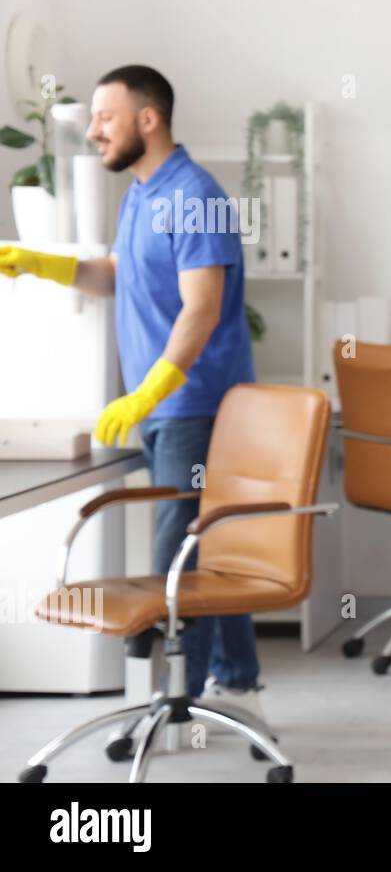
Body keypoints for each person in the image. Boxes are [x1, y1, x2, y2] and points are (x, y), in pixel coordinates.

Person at [0, 65, 264, 722]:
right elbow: (118, 275)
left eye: (105, 117)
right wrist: (45, 263)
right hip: (165, 407)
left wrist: (149, 394)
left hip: (197, 407)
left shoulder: (195, 196)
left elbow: (201, 310)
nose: (92, 131)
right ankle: (236, 674)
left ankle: (179, 700)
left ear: (148, 119)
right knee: (205, 543)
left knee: (179, 551)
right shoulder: (143, 195)